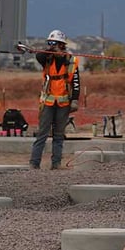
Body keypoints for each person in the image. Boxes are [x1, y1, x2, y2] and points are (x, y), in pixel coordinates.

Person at [17, 29, 80, 169]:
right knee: (42, 134)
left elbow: (76, 82)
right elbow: (39, 56)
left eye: (55, 43)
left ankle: (56, 163)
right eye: (50, 43)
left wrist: (75, 100)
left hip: (63, 103)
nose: (51, 45)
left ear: (62, 45)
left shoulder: (71, 61)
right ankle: (34, 163)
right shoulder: (46, 58)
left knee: (58, 135)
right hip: (48, 102)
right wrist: (50, 51)